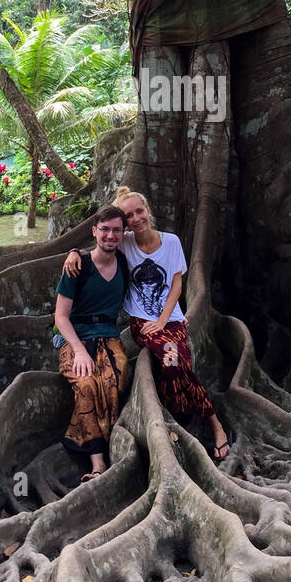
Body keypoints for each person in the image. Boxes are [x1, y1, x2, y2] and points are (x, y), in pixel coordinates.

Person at [61, 187, 231, 463]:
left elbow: (177, 284)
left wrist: (164, 320)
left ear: (148, 211)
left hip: (171, 320)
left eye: (139, 211)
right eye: (129, 215)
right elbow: (100, 242)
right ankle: (183, 418)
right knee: (172, 361)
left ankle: (208, 421)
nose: (136, 218)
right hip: (141, 323)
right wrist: (72, 252)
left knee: (178, 364)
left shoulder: (172, 242)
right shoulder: (124, 242)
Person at [54, 205, 131, 482]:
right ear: (94, 231)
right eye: (105, 230)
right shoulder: (77, 266)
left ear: (123, 234)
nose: (110, 236)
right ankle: (98, 463)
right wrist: (78, 351)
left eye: (116, 230)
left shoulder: (124, 262)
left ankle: (97, 440)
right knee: (86, 383)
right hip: (75, 336)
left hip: (109, 336)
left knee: (114, 381)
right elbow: (60, 317)